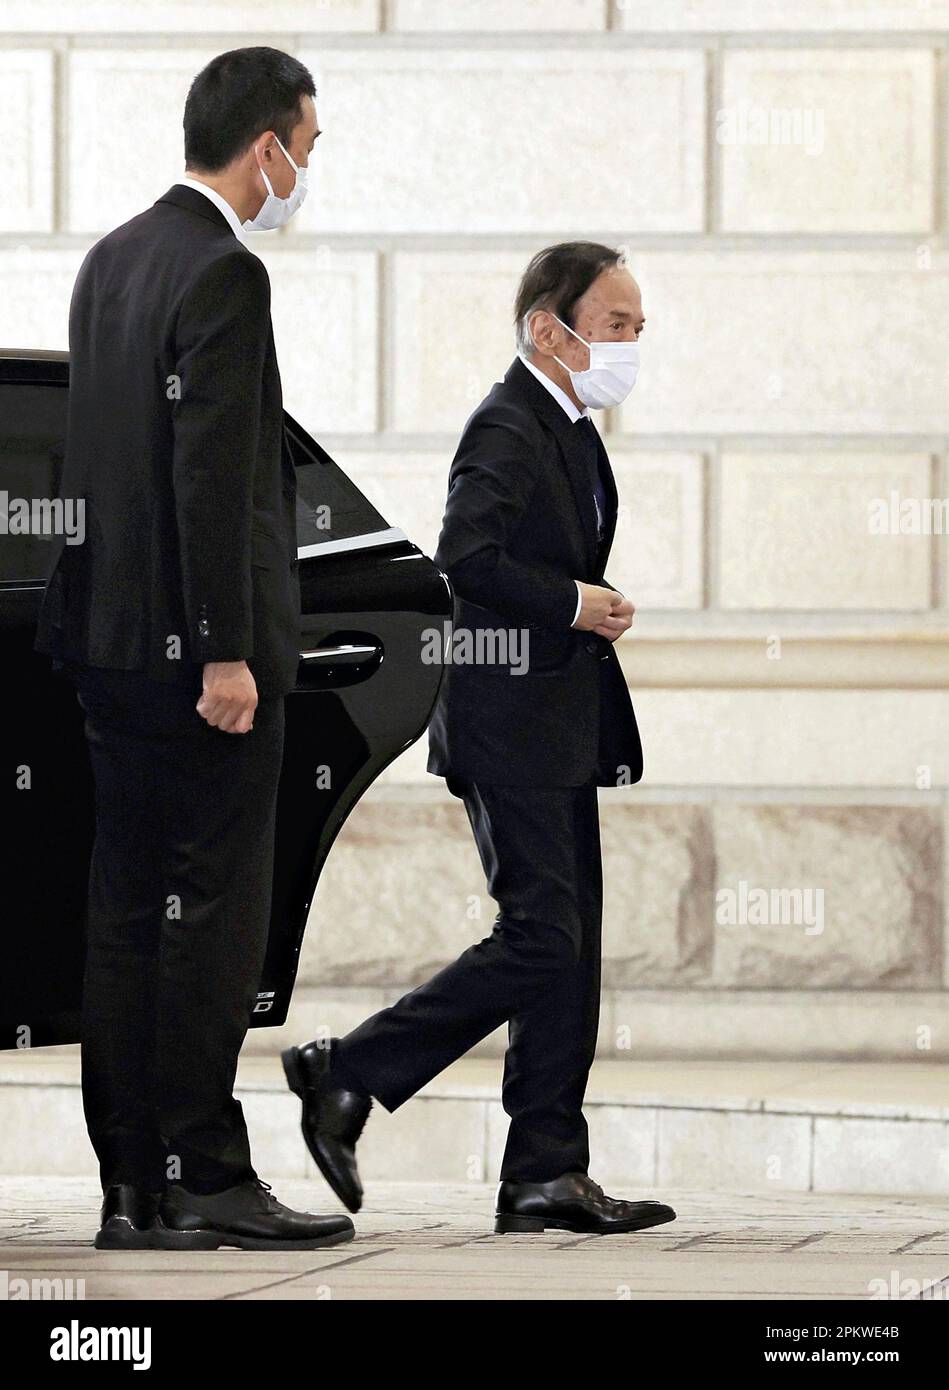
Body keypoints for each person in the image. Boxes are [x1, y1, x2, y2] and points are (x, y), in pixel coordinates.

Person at [283, 242, 677, 1236]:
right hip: (508, 724)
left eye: (637, 326)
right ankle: (351, 1068)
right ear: (549, 328)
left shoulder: (571, 429)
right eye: (616, 324)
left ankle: (545, 1168)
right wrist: (574, 602)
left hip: (557, 724)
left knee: (568, 945)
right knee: (540, 936)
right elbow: (465, 555)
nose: (632, 343)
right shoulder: (507, 425)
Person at [35, 46, 352, 1251]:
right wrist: (228, 653)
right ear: (265, 145)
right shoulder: (224, 273)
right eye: (306, 152)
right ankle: (206, 1178)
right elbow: (210, 481)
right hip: (197, 664)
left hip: (110, 646)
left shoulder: (112, 260)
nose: (303, 175)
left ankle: (132, 1187)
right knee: (212, 913)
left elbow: (97, 466)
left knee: (124, 912)